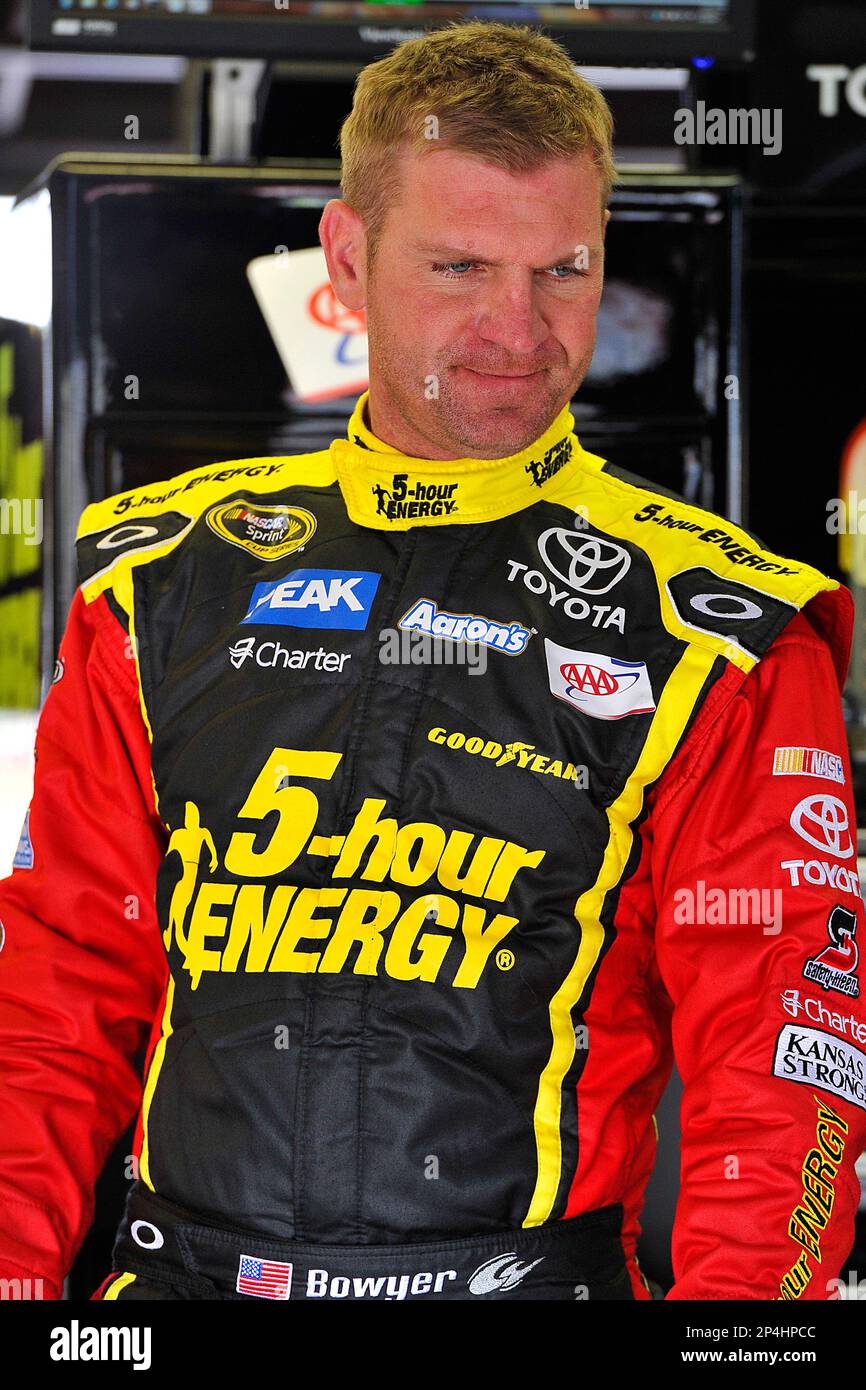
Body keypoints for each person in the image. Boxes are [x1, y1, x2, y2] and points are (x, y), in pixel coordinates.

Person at [1, 20, 864, 1303]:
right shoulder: (155, 580)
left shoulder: (721, 628)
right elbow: (60, 992)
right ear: (346, 258)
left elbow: (784, 1054)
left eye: (562, 270)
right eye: (459, 266)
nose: (517, 332)